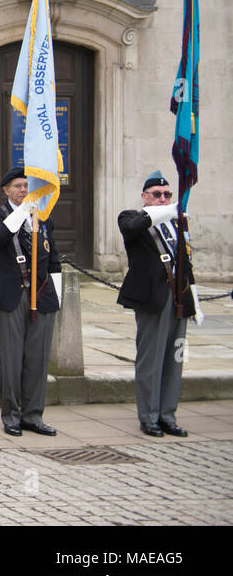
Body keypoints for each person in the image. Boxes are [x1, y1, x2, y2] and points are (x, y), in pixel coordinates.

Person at [0, 167, 62, 436]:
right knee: (12, 359)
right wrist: (23, 211)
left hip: (41, 295)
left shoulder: (43, 217)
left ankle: (33, 415)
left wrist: (57, 297)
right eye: (18, 186)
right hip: (10, 295)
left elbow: (55, 259)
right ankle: (11, 415)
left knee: (37, 360)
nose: (24, 190)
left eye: (27, 186)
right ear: (6, 190)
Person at [118, 171, 199, 438]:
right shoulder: (132, 218)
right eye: (156, 194)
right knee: (150, 361)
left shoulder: (177, 224)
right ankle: (149, 416)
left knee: (175, 359)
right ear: (144, 197)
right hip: (153, 299)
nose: (163, 199)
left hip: (179, 299)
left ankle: (167, 415)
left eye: (167, 195)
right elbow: (132, 228)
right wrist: (170, 211)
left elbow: (186, 261)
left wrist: (195, 300)